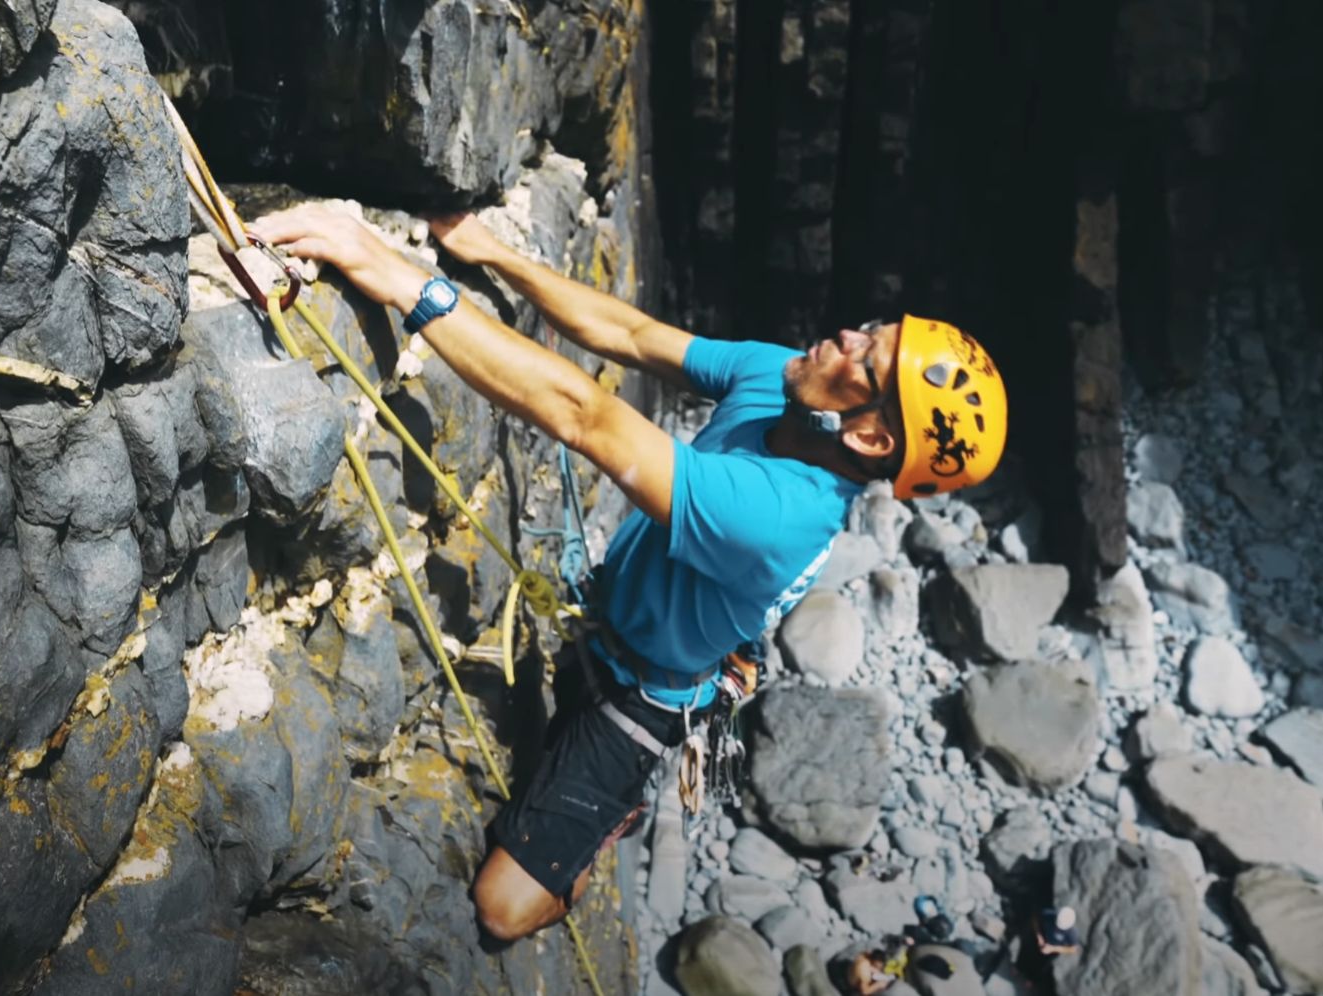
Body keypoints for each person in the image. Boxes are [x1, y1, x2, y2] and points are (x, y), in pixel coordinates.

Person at [248, 206, 1009, 942]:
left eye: (864, 358)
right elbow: (633, 334)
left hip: (644, 697)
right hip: (617, 618)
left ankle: (613, 821)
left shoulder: (783, 513)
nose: (846, 335)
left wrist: (398, 276)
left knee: (501, 908)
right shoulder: (783, 378)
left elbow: (587, 418)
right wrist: (494, 254)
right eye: (872, 331)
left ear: (872, 437)